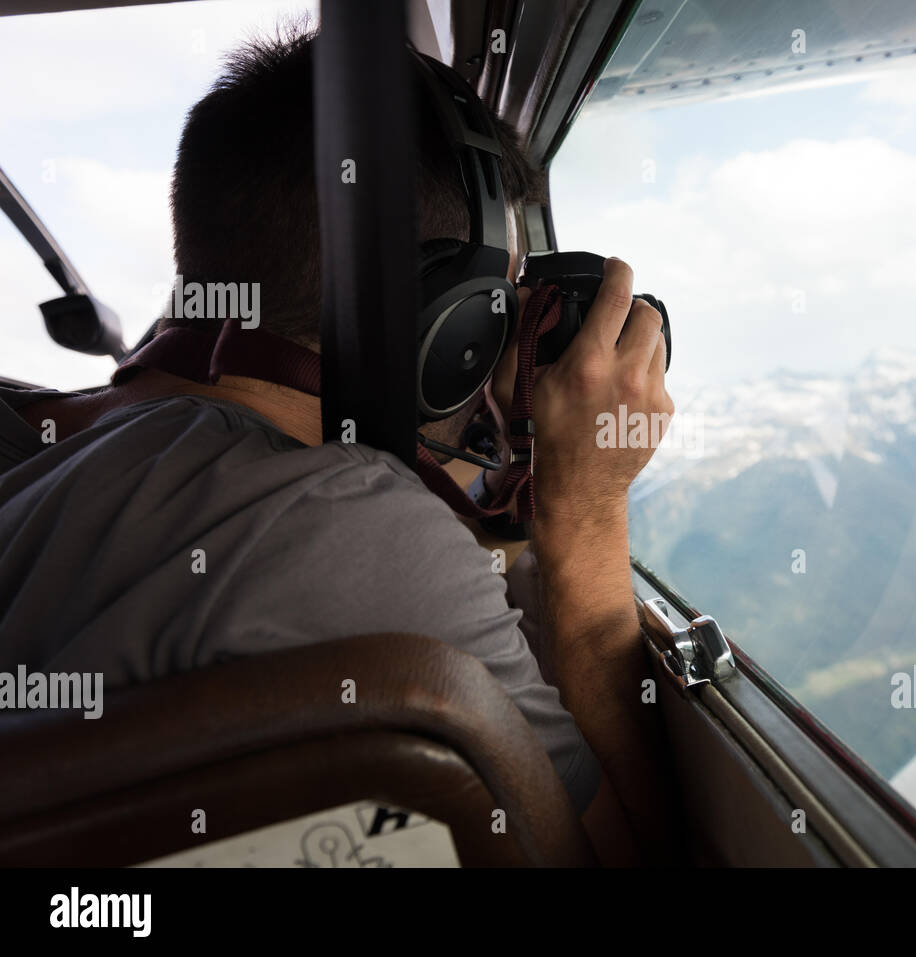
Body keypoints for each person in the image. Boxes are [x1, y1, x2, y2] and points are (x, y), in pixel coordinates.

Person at [0, 25, 675, 866]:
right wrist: (586, 511)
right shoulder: (347, 524)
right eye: (495, 308)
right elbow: (625, 856)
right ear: (451, 323)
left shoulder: (43, 442)